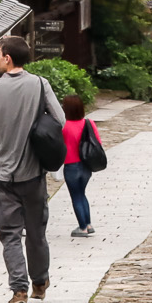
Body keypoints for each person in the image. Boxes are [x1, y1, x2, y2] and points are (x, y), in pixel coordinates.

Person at [0, 35, 63, 303]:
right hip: (33, 175)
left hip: (2, 177)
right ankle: (40, 283)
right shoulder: (40, 85)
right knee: (36, 232)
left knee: (9, 235)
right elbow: (60, 120)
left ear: (8, 58)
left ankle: (18, 289)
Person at [60, 94, 100, 238]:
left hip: (71, 165)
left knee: (76, 196)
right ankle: (88, 223)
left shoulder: (63, 126)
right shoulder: (89, 123)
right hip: (86, 165)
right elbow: (98, 142)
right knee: (82, 194)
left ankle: (82, 227)